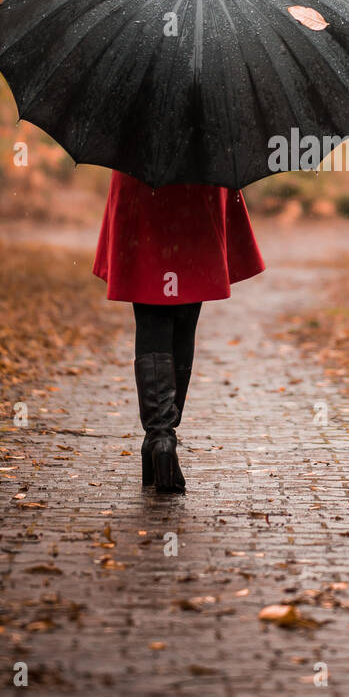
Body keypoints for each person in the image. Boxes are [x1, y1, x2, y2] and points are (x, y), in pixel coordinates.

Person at [93, 173, 265, 493]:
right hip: (198, 188)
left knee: (151, 312)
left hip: (141, 185)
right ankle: (163, 438)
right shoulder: (210, 122)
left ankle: (159, 438)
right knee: (185, 310)